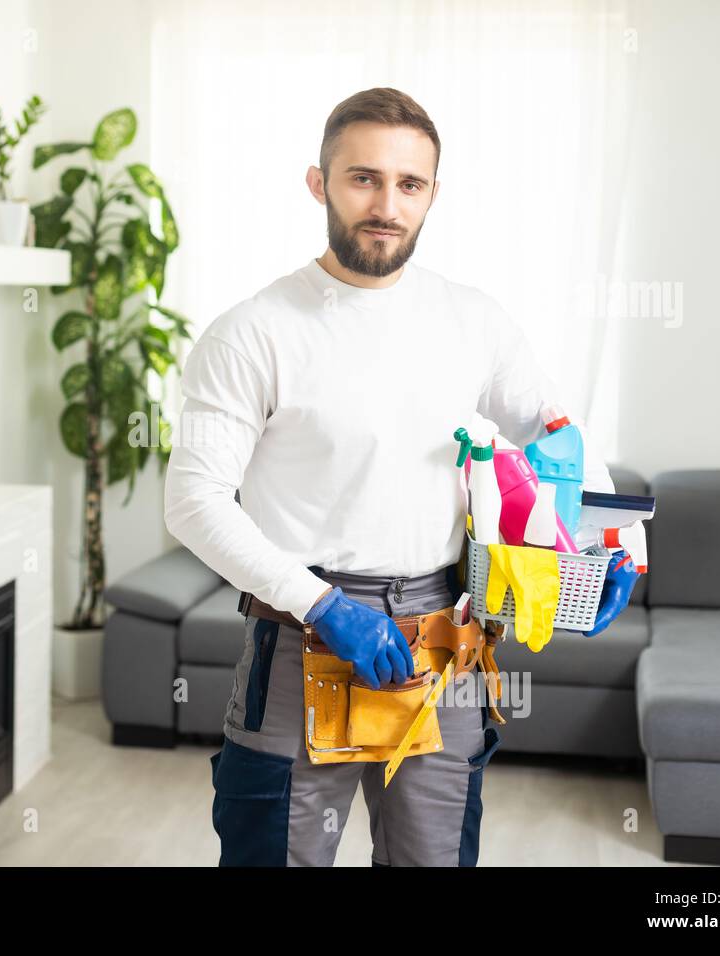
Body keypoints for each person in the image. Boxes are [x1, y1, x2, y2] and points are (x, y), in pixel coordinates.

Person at [163, 87, 636, 867]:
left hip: (444, 642)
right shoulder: (254, 331)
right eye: (363, 178)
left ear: (432, 195)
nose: (386, 204)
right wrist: (325, 606)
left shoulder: (473, 318)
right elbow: (193, 500)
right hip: (301, 632)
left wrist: (608, 542)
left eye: (409, 185)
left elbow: (556, 431)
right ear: (319, 182)